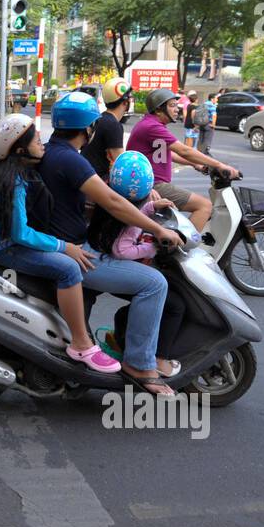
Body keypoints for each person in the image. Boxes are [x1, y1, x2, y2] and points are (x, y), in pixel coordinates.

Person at [37, 93, 184, 394]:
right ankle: (140, 364)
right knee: (154, 283)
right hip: (74, 250)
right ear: (88, 128)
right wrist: (158, 230)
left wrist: (147, 200)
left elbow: (96, 192)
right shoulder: (70, 159)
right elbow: (114, 202)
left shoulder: (53, 153)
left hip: (64, 243)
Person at [0, 113, 120, 372]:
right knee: (68, 268)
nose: (43, 144)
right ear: (22, 149)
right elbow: (20, 234)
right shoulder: (14, 180)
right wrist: (64, 246)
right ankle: (81, 343)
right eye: (37, 140)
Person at [85, 151, 186, 392]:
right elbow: (121, 249)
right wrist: (151, 247)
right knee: (156, 284)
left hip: (95, 250)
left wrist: (151, 207)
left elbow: (133, 217)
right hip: (97, 259)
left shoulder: (114, 197)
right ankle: (139, 363)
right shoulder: (124, 213)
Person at [126, 89, 240, 234]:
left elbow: (168, 154)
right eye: (172, 105)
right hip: (154, 186)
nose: (177, 109)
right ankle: (184, 248)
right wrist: (219, 164)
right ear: (159, 110)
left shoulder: (152, 124)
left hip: (152, 183)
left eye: (176, 105)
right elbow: (184, 150)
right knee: (204, 206)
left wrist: (195, 164)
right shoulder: (152, 127)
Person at [81, 77, 132, 179]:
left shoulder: (99, 118)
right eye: (130, 97)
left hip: (87, 176)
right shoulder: (113, 125)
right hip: (98, 180)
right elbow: (121, 164)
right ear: (125, 102)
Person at [197, 91, 219, 156]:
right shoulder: (212, 105)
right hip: (208, 124)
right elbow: (214, 115)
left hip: (201, 123)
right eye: (216, 98)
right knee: (207, 139)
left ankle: (199, 152)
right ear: (212, 99)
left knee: (201, 138)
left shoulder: (204, 104)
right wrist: (213, 125)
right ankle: (204, 154)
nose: (217, 100)